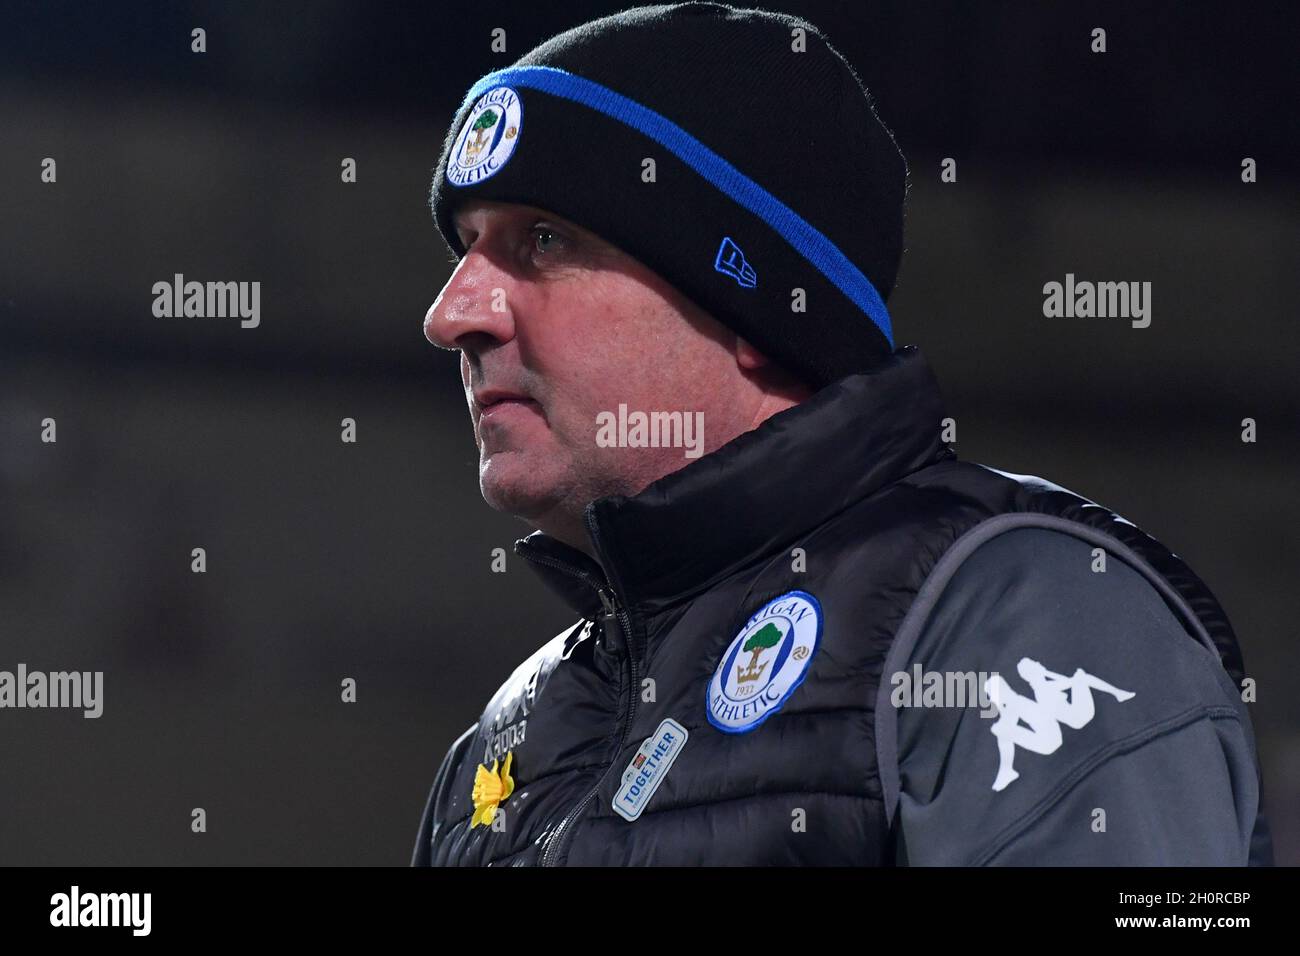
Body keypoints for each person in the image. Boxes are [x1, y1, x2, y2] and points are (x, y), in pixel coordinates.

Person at [411, 2, 1272, 866]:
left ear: (752, 309)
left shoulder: (1027, 616)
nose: (452, 316)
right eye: (466, 250)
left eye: (545, 241)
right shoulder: (510, 739)